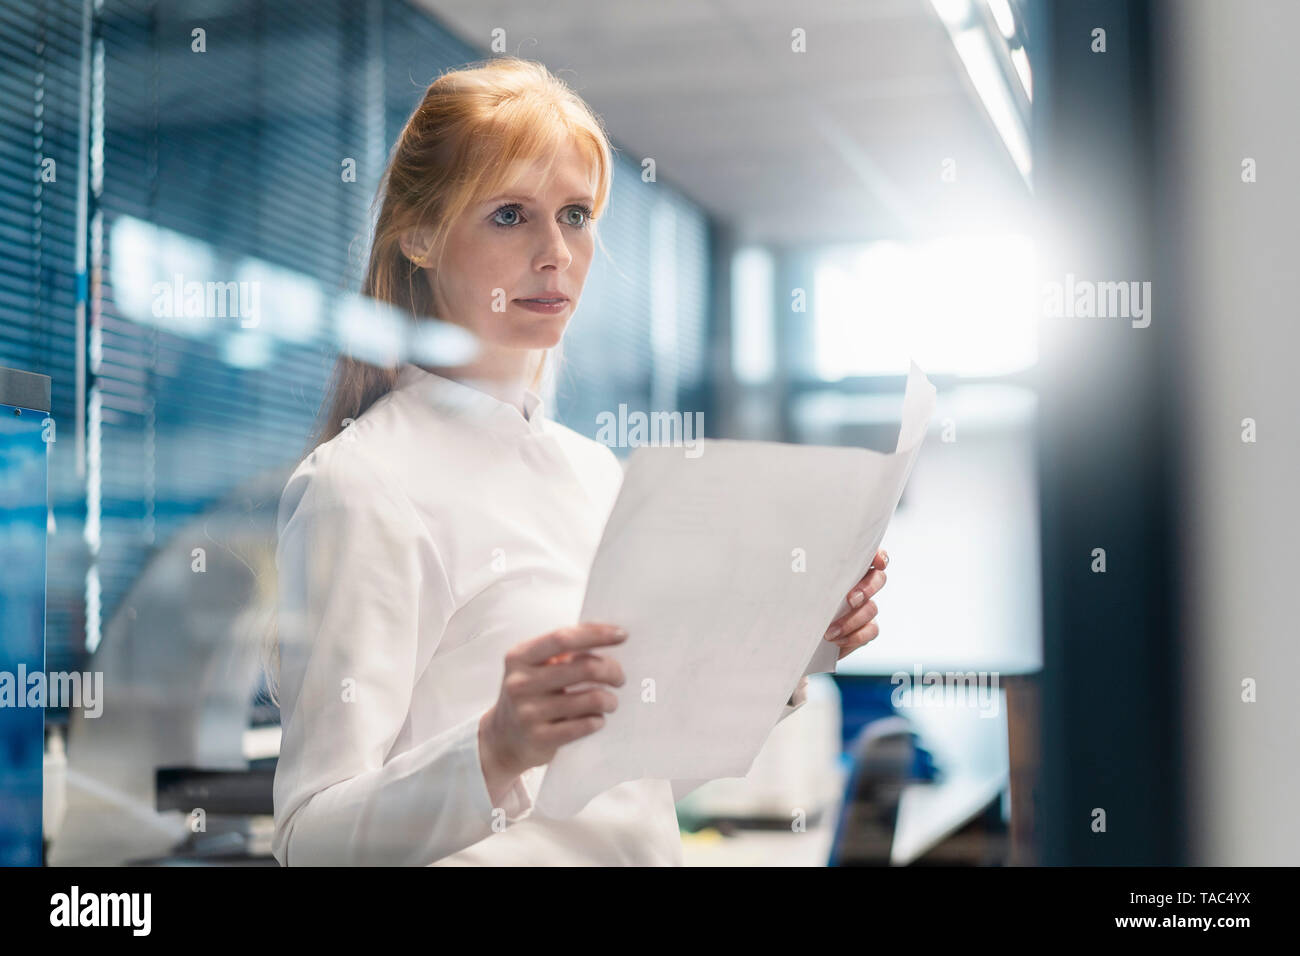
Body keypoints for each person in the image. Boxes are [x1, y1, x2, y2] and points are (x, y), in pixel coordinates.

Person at [264, 56, 889, 866]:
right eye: (510, 215)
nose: (555, 251)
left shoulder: (594, 475)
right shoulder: (363, 486)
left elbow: (631, 777)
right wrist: (495, 749)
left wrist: (789, 649)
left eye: (575, 214)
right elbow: (309, 842)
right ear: (418, 234)